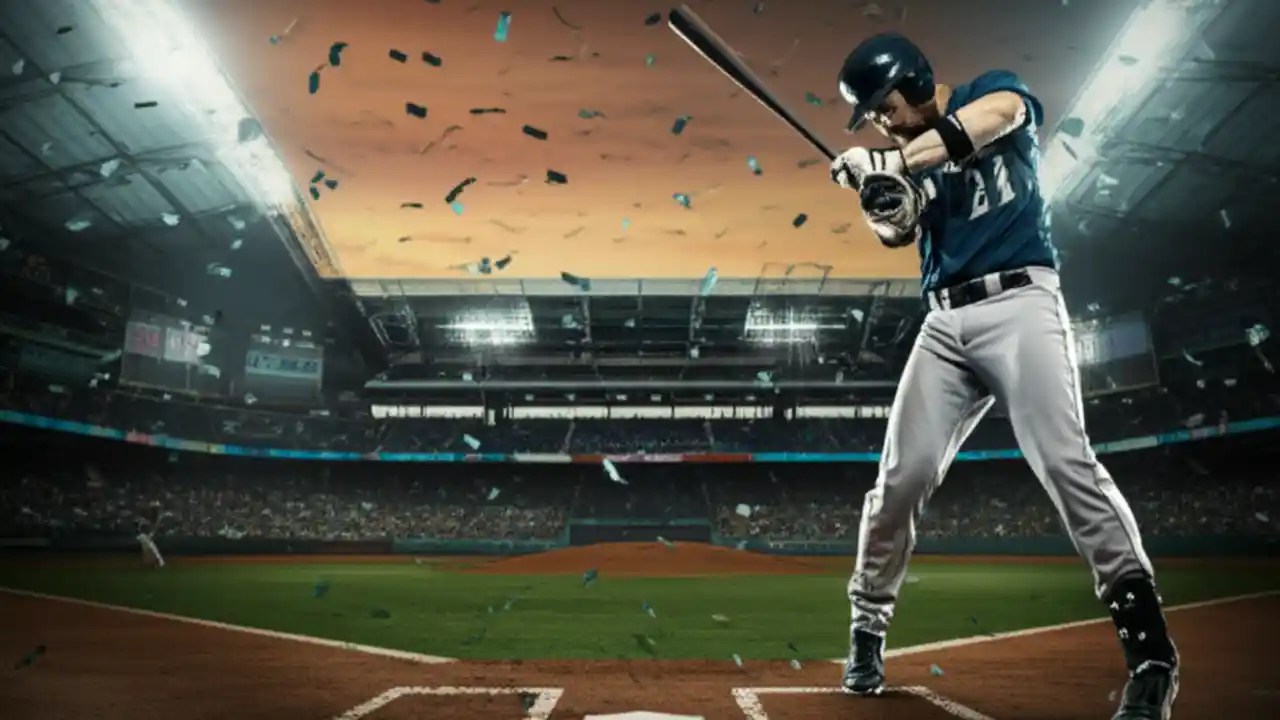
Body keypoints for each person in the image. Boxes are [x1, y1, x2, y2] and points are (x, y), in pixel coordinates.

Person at [828, 34, 1178, 719]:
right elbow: (897, 232)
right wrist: (877, 192)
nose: (883, 123)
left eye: (885, 107)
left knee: (1064, 459)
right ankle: (866, 631)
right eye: (873, 117)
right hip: (944, 322)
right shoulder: (907, 156)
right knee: (900, 479)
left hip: (1020, 302)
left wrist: (889, 160)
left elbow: (997, 120)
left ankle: (1151, 655)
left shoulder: (992, 91)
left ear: (915, 81)